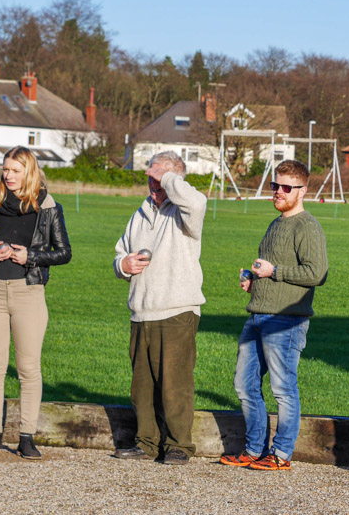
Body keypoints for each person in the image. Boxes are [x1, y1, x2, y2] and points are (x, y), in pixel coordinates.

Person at [220, 160, 327, 471]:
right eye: (274, 186)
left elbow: (317, 273)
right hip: (257, 316)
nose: (278, 192)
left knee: (283, 389)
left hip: (286, 320)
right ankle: (254, 449)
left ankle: (281, 455)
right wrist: (252, 279)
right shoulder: (276, 223)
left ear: (303, 191)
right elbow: (269, 269)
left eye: (286, 187)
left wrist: (274, 271)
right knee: (244, 384)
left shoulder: (306, 226)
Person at [112, 151, 206, 465]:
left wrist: (167, 176)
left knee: (175, 385)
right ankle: (146, 444)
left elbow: (197, 201)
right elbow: (120, 252)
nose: (155, 186)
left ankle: (179, 445)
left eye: (161, 180)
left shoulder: (185, 212)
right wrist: (123, 264)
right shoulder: (140, 212)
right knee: (141, 388)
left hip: (177, 310)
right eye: (151, 180)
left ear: (176, 180)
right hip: (141, 310)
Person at [0, 146, 71, 460]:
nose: (8, 176)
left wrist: (31, 256)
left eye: (15, 170)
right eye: (5, 169)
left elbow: (64, 252)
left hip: (29, 293)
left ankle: (27, 437)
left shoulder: (48, 206)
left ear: (29, 172)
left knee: (27, 369)